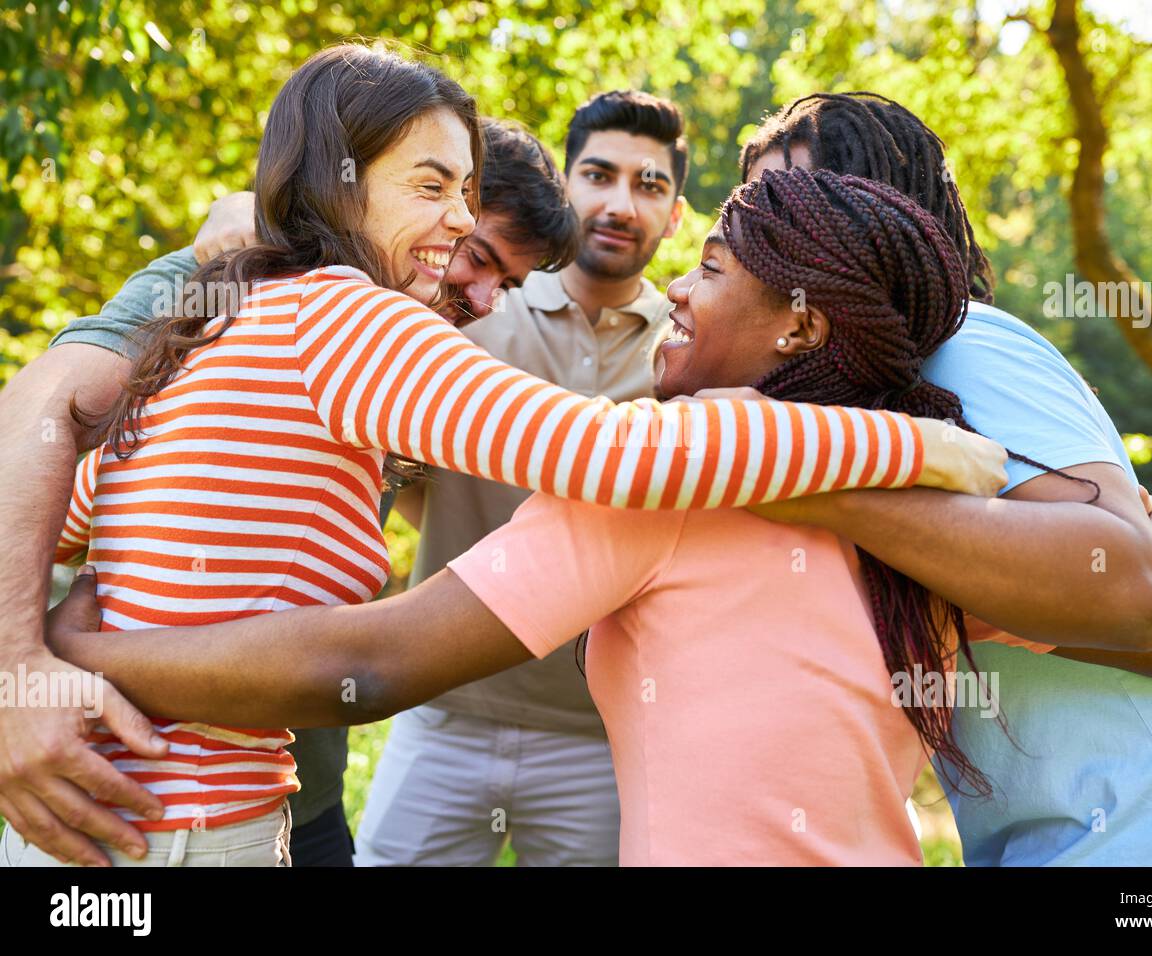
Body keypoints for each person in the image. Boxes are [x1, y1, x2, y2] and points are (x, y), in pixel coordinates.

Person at [37, 168, 1152, 864]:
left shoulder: (658, 487)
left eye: (712, 266)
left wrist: (76, 652)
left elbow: (361, 659)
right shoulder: (946, 506)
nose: (676, 276)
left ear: (802, 326)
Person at [0, 46, 1003, 868]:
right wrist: (911, 442)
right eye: (429, 185)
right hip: (167, 821)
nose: (454, 222)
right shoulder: (347, 318)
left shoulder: (233, 319)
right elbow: (615, 455)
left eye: (467, 189)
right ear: (333, 183)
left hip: (109, 814)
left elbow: (90, 512)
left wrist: (59, 645)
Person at [736, 91, 1152, 864]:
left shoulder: (965, 348)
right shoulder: (850, 415)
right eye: (754, 208)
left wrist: (822, 495)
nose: (770, 234)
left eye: (801, 200)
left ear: (888, 214)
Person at [63, 116, 579, 867]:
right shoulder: (223, 285)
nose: (486, 298)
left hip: (299, 794)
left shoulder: (412, 355)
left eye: (509, 282)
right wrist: (29, 668)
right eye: (479, 258)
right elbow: (57, 452)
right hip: (140, 798)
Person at [359, 90, 688, 867]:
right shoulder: (465, 302)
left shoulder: (688, 354)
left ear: (675, 214)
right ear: (564, 186)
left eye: (650, 186)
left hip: (600, 737)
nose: (619, 203)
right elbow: (406, 473)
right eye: (599, 175)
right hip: (441, 712)